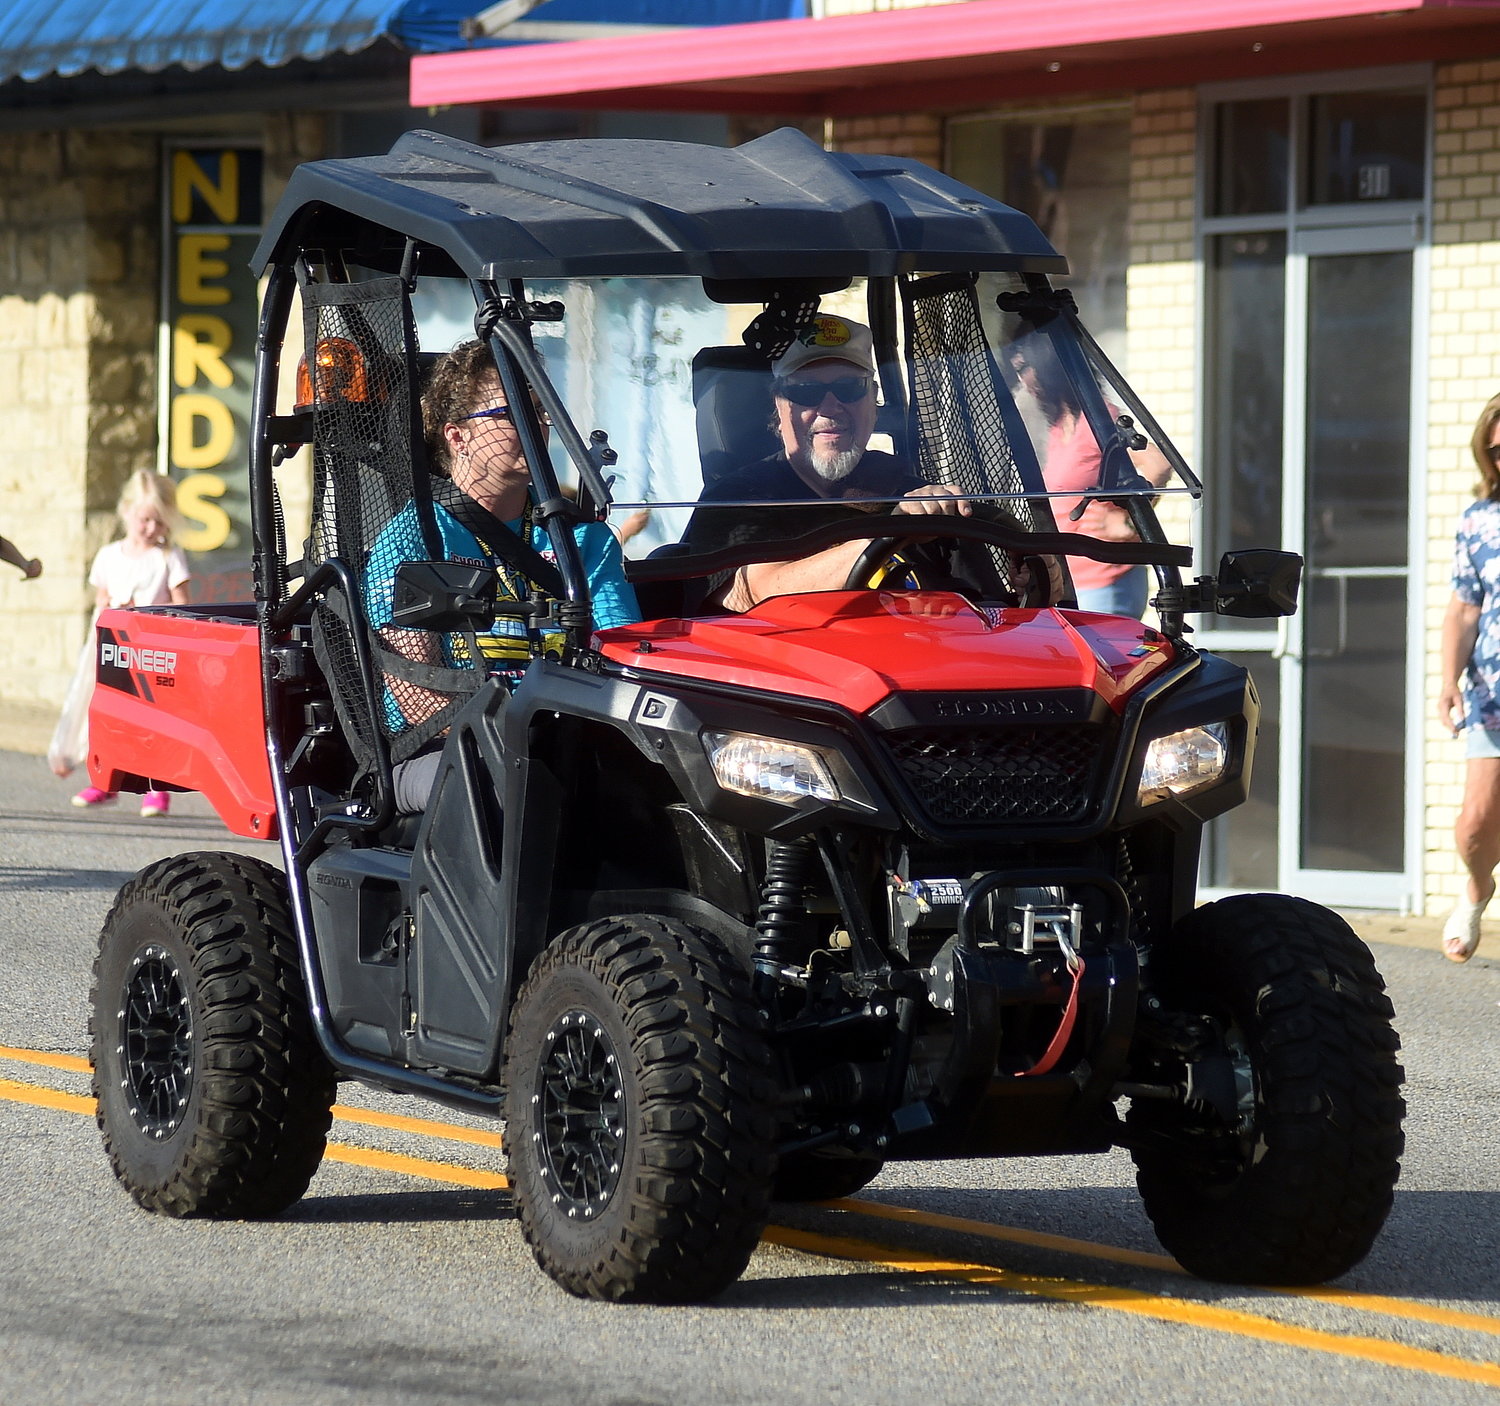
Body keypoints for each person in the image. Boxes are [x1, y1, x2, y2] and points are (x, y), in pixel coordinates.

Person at [364, 339, 640, 811]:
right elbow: (414, 689)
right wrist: (513, 742)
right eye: (511, 413)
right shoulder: (414, 537)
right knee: (515, 783)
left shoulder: (585, 541)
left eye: (540, 411)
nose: (536, 427)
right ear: (457, 436)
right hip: (442, 747)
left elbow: (624, 656)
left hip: (566, 737)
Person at [685, 315, 975, 612]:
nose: (830, 407)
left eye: (850, 387)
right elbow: (752, 594)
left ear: (873, 400)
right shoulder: (739, 499)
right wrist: (892, 533)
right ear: (779, 405)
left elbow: (982, 606)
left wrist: (1023, 580)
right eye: (806, 390)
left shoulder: (914, 496)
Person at [1006, 332, 1171, 618]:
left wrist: (1128, 522)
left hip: (1104, 580)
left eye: (1024, 368)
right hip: (1074, 578)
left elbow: (1159, 464)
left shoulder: (1098, 421)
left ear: (1046, 366)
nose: (1022, 379)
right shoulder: (1061, 427)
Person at [63, 470, 191, 816]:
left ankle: (157, 787)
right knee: (107, 717)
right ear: (127, 512)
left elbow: (182, 605)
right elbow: (100, 601)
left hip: (151, 652)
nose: (151, 528)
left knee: (152, 721)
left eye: (159, 523)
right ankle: (104, 782)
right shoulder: (108, 556)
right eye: (145, 519)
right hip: (111, 650)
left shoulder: (168, 558)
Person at [1436, 390, 1500, 962]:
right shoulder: (1479, 520)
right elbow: (1464, 607)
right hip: (1493, 694)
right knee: (1475, 826)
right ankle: (1480, 886)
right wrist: (1449, 679)